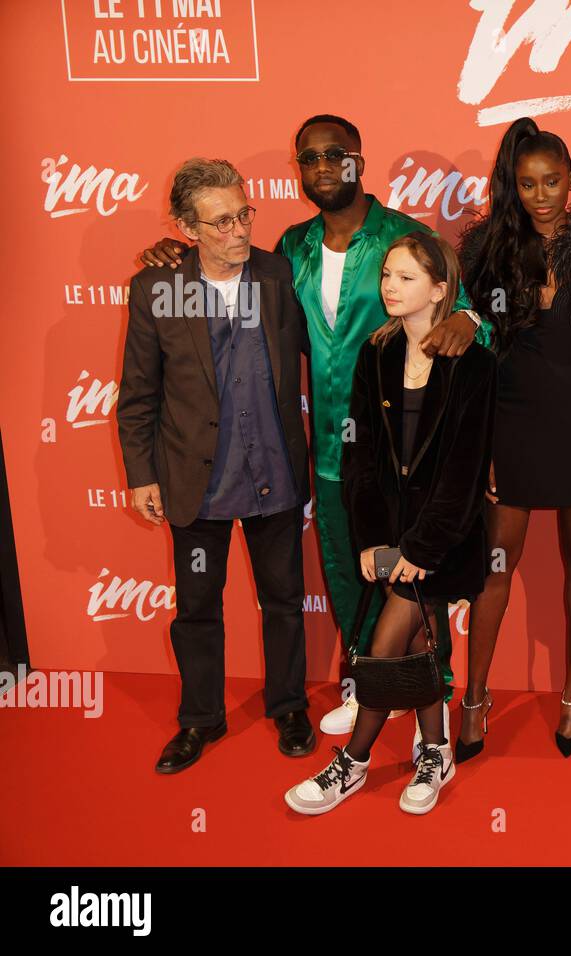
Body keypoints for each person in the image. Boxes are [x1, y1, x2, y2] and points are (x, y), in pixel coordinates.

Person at [136, 115, 492, 741]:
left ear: (358, 160)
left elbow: (453, 300)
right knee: (353, 578)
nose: (324, 167)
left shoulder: (403, 234)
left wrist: (466, 313)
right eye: (310, 158)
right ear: (298, 169)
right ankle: (364, 688)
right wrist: (176, 257)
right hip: (329, 455)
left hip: (407, 450)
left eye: (336, 155)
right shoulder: (290, 251)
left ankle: (425, 706)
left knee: (418, 579)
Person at [285, 233, 496, 815]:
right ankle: (436, 749)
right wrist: (375, 539)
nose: (390, 287)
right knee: (421, 642)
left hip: (443, 540)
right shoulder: (375, 356)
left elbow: (464, 470)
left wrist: (422, 549)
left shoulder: (472, 364)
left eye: (405, 278)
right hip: (390, 539)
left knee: (388, 642)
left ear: (439, 288)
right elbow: (359, 458)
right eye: (386, 276)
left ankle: (353, 761)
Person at [118, 158, 315, 773]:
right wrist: (142, 475)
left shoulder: (278, 274)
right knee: (199, 606)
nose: (238, 230)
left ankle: (288, 705)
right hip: (196, 479)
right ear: (187, 227)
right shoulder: (159, 288)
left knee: (284, 598)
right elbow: (138, 393)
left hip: (275, 471)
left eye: (243, 213)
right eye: (221, 221)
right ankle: (200, 719)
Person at [453, 118, 571, 761]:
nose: (542, 194)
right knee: (496, 567)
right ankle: (474, 699)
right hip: (512, 419)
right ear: (512, 185)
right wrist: (482, 441)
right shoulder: (485, 248)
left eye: (553, 180)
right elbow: (474, 347)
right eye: (528, 183)